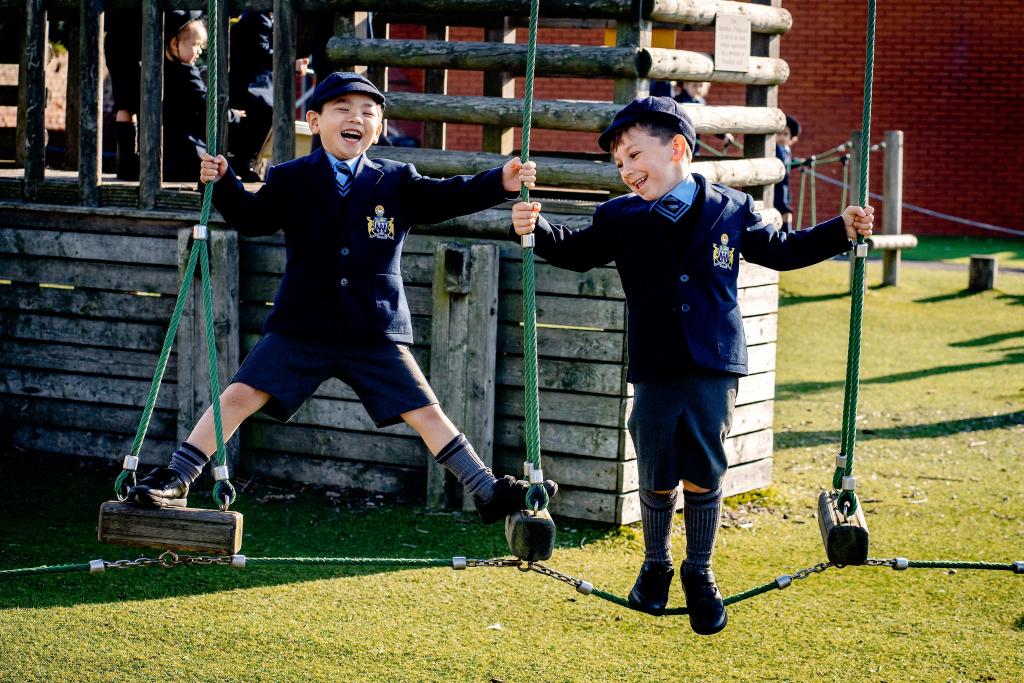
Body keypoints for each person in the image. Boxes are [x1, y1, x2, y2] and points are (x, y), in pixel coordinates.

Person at [510, 97, 873, 634]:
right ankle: (655, 564)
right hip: (655, 361)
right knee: (656, 464)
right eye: (619, 163)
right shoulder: (620, 216)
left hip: (713, 360)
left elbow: (782, 250)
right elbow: (576, 251)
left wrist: (839, 229)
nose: (627, 170)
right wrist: (534, 227)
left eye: (635, 155)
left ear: (677, 147)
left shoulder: (731, 208)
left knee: (704, 466)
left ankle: (699, 570)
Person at [128, 72, 556, 525]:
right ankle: (178, 476)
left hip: (373, 328)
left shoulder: (396, 180)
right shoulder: (291, 177)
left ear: (379, 127)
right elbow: (252, 219)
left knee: (425, 411)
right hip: (302, 325)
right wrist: (223, 183)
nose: (356, 119)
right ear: (314, 121)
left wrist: (500, 181)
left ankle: (486, 489)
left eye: (368, 113)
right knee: (239, 394)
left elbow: (450, 196)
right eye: (343, 110)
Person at [162, 10, 243, 182]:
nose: (199, 51)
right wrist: (233, 115)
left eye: (201, 46)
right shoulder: (187, 74)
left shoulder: (163, 69)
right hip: (187, 151)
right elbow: (206, 104)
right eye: (195, 44)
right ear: (174, 43)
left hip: (168, 152)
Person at [104, 8, 142, 180]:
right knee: (140, 104)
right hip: (136, 36)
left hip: (115, 39)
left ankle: (125, 165)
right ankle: (134, 164)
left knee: (124, 105)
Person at [774, 115, 800, 232]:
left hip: (784, 189)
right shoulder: (774, 149)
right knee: (784, 213)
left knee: (787, 214)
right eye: (779, 134)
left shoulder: (786, 150)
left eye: (785, 134)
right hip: (777, 189)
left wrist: (798, 163)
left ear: (791, 137)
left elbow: (787, 164)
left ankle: (787, 235)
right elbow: (782, 164)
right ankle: (786, 236)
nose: (782, 137)